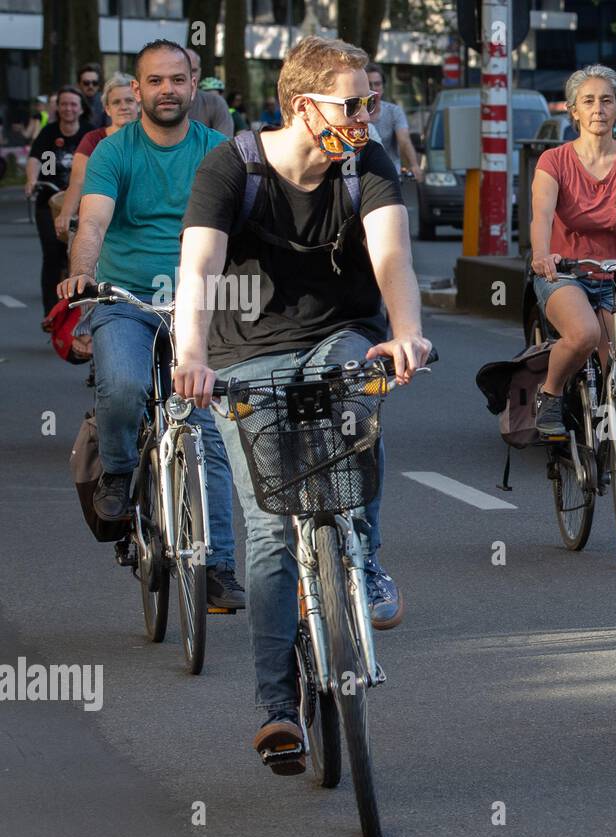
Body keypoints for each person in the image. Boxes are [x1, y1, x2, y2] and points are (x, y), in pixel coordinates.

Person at [172, 36, 432, 769]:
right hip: (244, 355)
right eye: (353, 104)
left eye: (371, 102)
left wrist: (407, 333)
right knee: (267, 533)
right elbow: (198, 267)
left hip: (340, 333)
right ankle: (279, 710)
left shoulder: (367, 162)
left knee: (360, 399)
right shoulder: (234, 165)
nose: (365, 116)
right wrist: (191, 356)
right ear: (302, 106)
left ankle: (366, 559)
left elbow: (392, 258)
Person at [56, 39, 245, 611]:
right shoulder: (114, 153)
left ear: (195, 86)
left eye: (177, 80)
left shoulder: (221, 151)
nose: (167, 90)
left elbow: (251, 222)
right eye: (154, 81)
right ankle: (117, 474)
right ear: (136, 91)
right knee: (125, 386)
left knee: (209, 434)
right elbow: (92, 221)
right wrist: (83, 273)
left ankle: (217, 567)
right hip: (126, 299)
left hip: (201, 303)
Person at [529, 64, 616, 444]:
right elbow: (541, 215)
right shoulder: (554, 162)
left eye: (607, 101)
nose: (598, 109)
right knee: (585, 334)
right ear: (573, 111)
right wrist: (542, 254)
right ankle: (551, 394)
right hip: (565, 273)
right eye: (588, 101)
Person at [55, 73, 140, 240]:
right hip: (98, 225)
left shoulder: (152, 138)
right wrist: (65, 213)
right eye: (116, 102)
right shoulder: (93, 139)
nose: (123, 106)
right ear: (107, 109)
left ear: (139, 105)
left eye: (129, 101)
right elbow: (78, 181)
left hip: (139, 225)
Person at [27, 86, 88, 315]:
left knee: (79, 256)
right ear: (57, 107)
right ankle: (50, 313)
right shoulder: (48, 133)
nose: (68, 109)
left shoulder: (89, 134)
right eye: (64, 104)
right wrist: (32, 180)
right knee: (52, 255)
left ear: (81, 108)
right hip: (49, 201)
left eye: (73, 104)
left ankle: (80, 313)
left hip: (82, 204)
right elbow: (35, 158)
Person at [363, 64, 418, 174]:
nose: (373, 89)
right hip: (364, 172)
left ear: (383, 87)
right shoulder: (356, 113)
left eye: (377, 84)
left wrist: (414, 166)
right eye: (369, 85)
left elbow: (404, 141)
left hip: (390, 170)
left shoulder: (394, 111)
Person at [184, 49, 234, 137]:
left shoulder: (216, 103)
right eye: (184, 70)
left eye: (194, 70)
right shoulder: (160, 102)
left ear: (200, 71)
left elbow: (224, 145)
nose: (190, 75)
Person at [78, 63, 107, 129]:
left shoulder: (105, 102)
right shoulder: (72, 102)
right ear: (79, 84)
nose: (90, 86)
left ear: (99, 84)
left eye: (94, 83)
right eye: (86, 83)